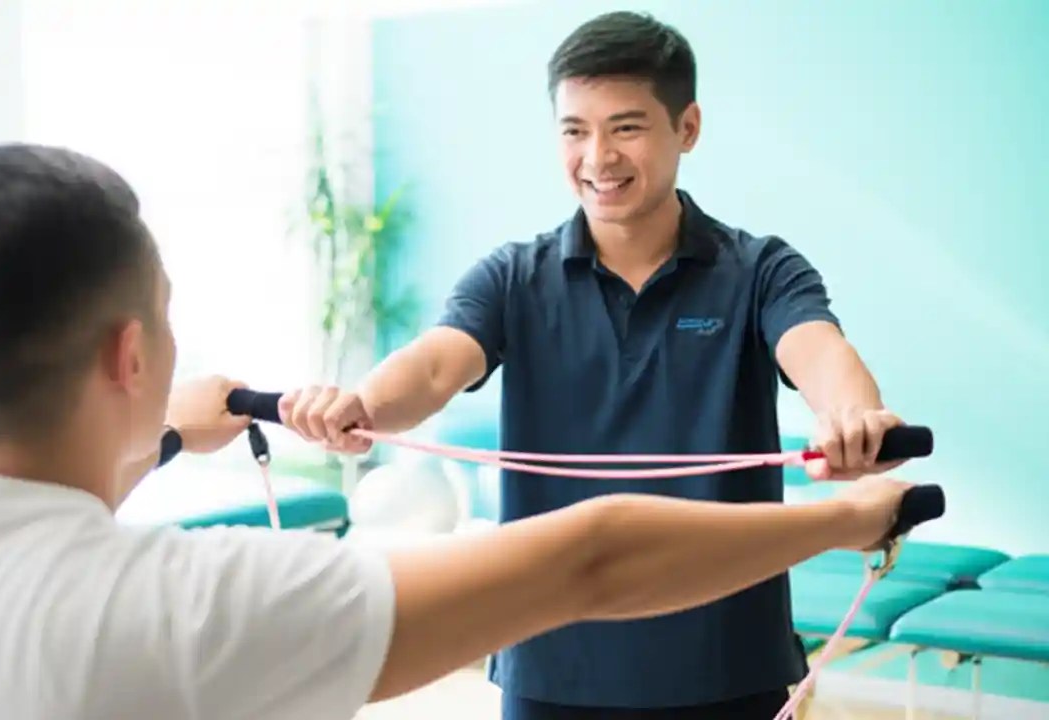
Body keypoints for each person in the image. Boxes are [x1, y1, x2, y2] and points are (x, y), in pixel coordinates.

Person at [0, 142, 918, 720]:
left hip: (723, 668)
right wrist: (850, 518)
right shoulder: (205, 605)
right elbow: (593, 556)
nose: (597, 154)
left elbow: (28, 517)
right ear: (129, 354)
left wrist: (165, 434)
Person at [280, 10, 908, 720]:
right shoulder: (513, 278)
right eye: (575, 130)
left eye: (627, 127)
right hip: (552, 663)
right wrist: (361, 406)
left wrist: (853, 415)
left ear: (688, 127)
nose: (598, 157)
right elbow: (429, 370)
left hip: (727, 660)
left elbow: (819, 350)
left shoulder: (760, 270)